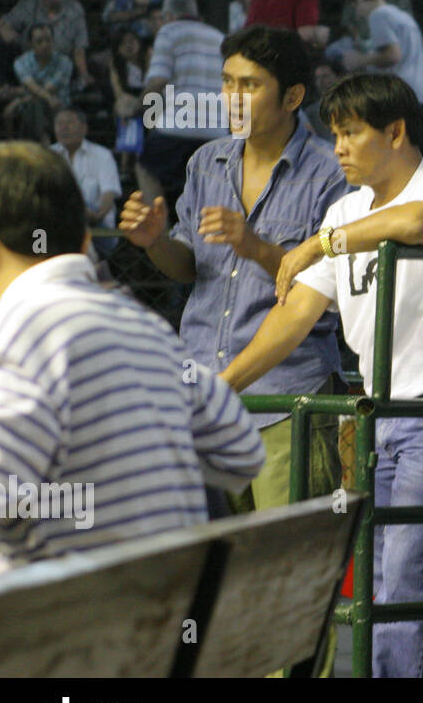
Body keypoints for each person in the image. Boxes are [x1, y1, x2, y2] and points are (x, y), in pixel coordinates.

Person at [221, 72, 423, 678]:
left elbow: (415, 224)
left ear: (395, 131)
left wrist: (321, 244)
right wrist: (225, 384)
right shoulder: (345, 209)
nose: (339, 147)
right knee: (378, 579)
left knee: (405, 578)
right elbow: (296, 313)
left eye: (350, 133)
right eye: (335, 134)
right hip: (383, 419)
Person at [0, 142, 264, 575]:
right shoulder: (146, 326)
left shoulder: (11, 334)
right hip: (165, 616)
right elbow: (242, 452)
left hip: (67, 621)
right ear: (83, 239)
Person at [120, 25, 349, 520]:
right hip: (201, 396)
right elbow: (187, 268)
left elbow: (326, 293)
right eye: (227, 82)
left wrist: (255, 247)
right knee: (209, 569)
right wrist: (155, 242)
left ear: (293, 96)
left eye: (249, 85)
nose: (232, 98)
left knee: (287, 566)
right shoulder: (206, 162)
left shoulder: (331, 173)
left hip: (288, 401)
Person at [135, 0, 227, 205]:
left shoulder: (168, 32)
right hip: (217, 132)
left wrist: (136, 107)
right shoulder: (219, 37)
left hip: (177, 128)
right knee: (206, 185)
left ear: (167, 15)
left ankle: (157, 229)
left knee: (145, 166)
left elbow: (157, 81)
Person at [340, 0, 423, 116]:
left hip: (402, 99)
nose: (358, 13)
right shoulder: (404, 17)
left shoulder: (378, 15)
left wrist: (360, 60)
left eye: (355, 6)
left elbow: (393, 55)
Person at [0, 0, 91, 91]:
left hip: (60, 63)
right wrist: (5, 30)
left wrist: (84, 74)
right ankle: (0, 86)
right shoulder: (28, 6)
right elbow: (2, 24)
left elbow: (79, 48)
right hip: (29, 62)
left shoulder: (74, 9)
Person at [49, 107, 121, 252]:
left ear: (84, 128)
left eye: (69, 123)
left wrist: (96, 215)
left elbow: (109, 193)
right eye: (59, 124)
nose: (64, 128)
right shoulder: (48, 155)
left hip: (99, 228)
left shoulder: (102, 155)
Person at [5, 25, 71, 143]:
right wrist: (48, 98)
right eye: (39, 41)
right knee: (35, 104)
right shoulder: (21, 62)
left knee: (35, 104)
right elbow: (32, 87)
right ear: (30, 44)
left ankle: (34, 144)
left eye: (48, 40)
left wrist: (19, 101)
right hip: (31, 106)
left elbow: (49, 89)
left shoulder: (65, 62)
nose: (45, 45)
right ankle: (45, 141)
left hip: (57, 107)